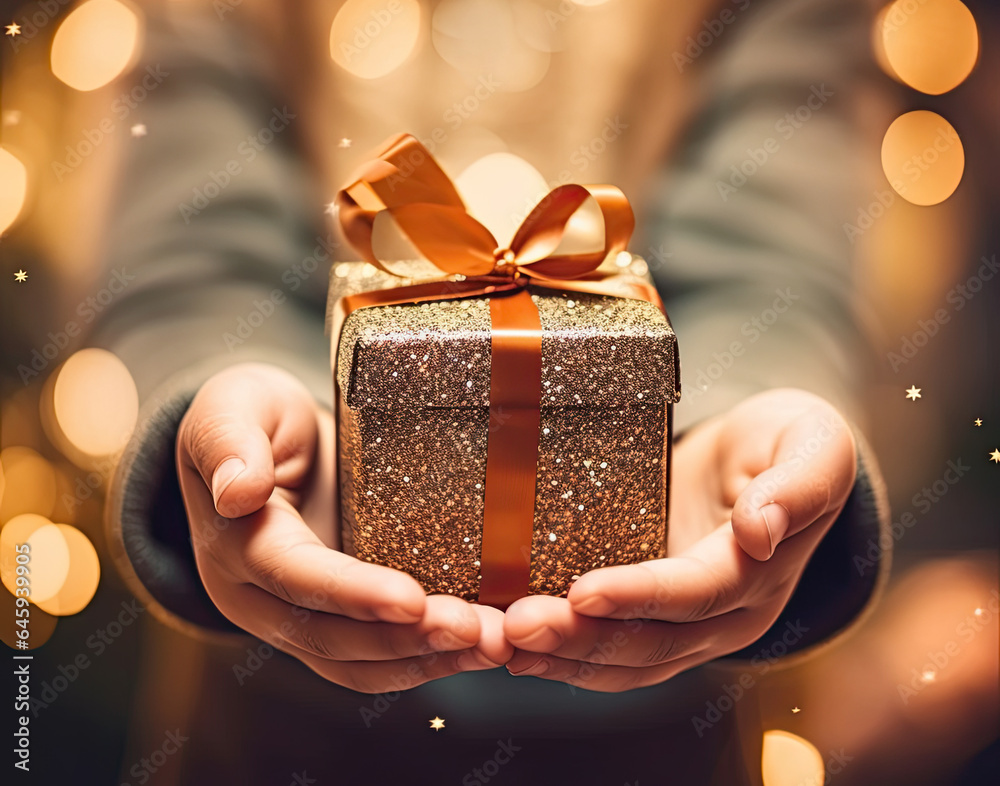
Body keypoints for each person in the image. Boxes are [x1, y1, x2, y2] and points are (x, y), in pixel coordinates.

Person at [90, 0, 889, 782]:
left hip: (674, 723)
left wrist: (738, 415)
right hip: (270, 709)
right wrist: (246, 415)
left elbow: (775, 267)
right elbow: (192, 258)